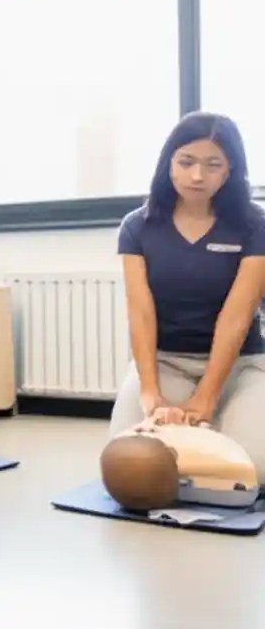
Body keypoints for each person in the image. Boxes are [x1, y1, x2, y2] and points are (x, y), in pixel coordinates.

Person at [107, 111, 265, 478]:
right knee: (124, 464)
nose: (197, 175)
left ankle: (222, 425)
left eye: (213, 165)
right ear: (169, 164)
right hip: (168, 362)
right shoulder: (137, 226)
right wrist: (150, 393)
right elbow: (141, 313)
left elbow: (237, 315)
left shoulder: (255, 224)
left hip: (242, 366)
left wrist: (206, 398)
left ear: (229, 172)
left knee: (253, 470)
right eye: (187, 162)